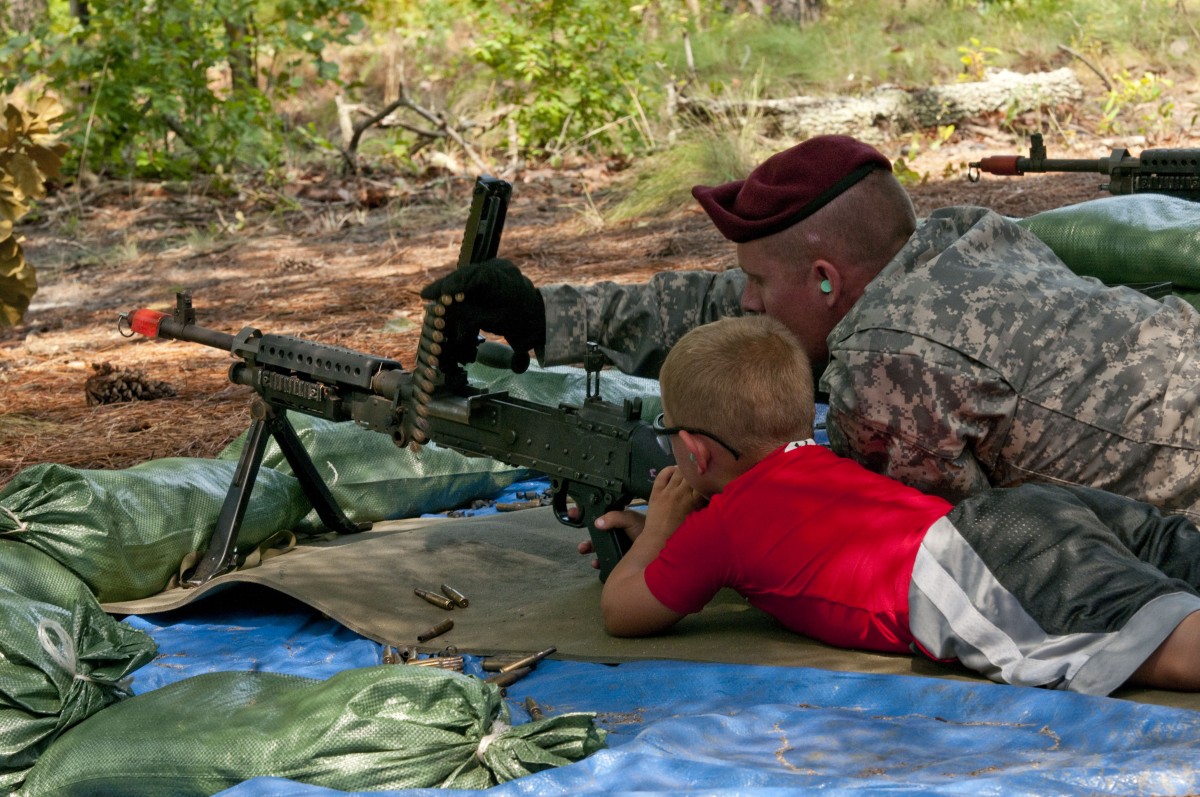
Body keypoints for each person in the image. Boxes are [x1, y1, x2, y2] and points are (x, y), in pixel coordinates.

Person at [419, 135, 1200, 523]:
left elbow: (913, 548)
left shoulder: (890, 373)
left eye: (760, 279)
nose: (747, 301)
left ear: (826, 279)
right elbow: (727, 307)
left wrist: (689, 518)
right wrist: (546, 315)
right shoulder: (960, 237)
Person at [600, 313, 1200, 696]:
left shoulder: (721, 530)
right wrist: (657, 530)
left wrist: (659, 533)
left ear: (695, 453)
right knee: (1174, 555)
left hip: (968, 569)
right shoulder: (811, 468)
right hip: (1018, 515)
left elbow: (623, 613)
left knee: (1168, 648)